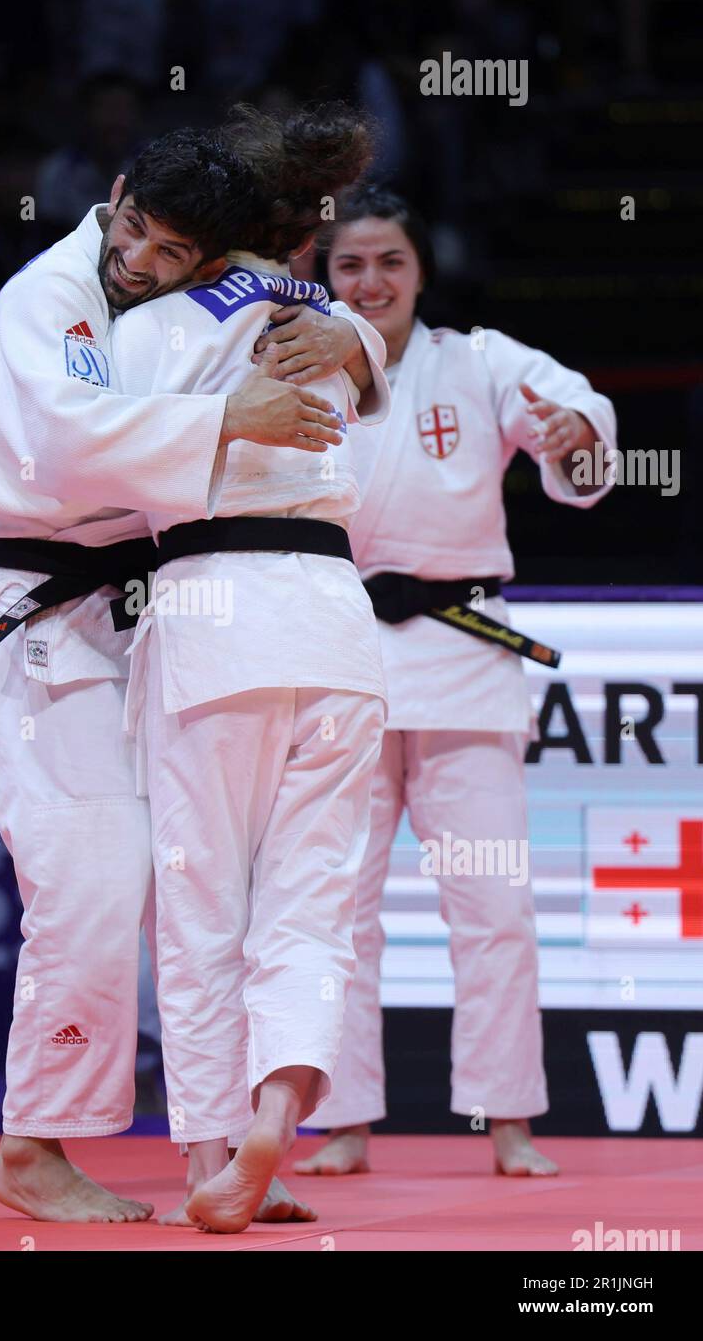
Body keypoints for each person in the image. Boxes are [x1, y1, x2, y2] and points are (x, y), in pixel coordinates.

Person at [0, 124, 383, 1223]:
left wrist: (347, 347)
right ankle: (31, 1142)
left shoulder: (181, 305)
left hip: (145, 611)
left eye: (175, 251)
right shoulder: (44, 300)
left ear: (212, 254)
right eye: (136, 229)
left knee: (173, 878)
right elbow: (58, 445)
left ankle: (207, 1145)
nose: (142, 259)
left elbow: (335, 330)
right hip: (43, 609)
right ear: (114, 194)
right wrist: (228, 416)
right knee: (95, 870)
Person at [294, 186, 617, 1177]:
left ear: (421, 269)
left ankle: (506, 1117)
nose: (371, 281)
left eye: (388, 260)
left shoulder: (478, 359)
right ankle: (340, 1119)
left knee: (491, 900)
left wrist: (577, 439)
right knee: (332, 907)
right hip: (338, 656)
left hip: (462, 657)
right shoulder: (297, 368)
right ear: (324, 275)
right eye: (349, 264)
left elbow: (576, 414)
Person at [107, 103, 387, 1232]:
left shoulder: (147, 329)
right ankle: (281, 1106)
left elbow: (94, 471)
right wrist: (354, 334)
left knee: (200, 902)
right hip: (335, 624)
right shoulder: (336, 325)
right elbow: (374, 363)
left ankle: (213, 1152)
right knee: (312, 901)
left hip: (216, 623)